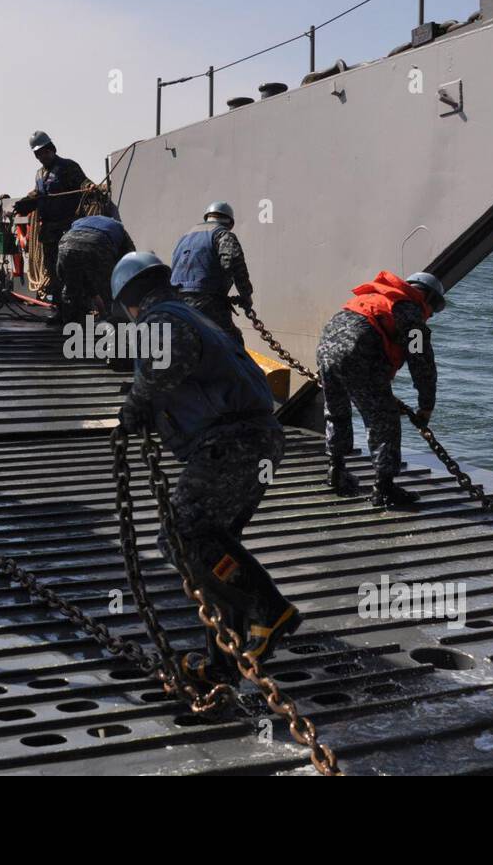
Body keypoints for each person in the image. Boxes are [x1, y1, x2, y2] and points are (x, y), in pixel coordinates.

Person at [112, 252, 300, 682]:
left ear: (128, 302)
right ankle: (222, 661)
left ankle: (269, 609)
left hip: (229, 442)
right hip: (258, 438)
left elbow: (168, 356)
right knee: (211, 551)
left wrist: (136, 406)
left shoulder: (158, 321)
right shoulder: (195, 315)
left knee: (179, 538)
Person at [315, 270, 445, 507]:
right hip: (357, 354)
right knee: (384, 419)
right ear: (428, 298)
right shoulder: (410, 310)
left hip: (326, 349)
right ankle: (384, 488)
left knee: (336, 410)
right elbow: (420, 360)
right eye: (434, 309)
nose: (431, 315)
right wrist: (427, 405)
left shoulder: (376, 297)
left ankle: (336, 471)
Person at [12, 131, 90, 313]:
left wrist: (91, 188)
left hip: (67, 230)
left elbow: (83, 183)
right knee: (53, 272)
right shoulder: (40, 174)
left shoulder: (68, 167)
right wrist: (24, 204)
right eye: (38, 154)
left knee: (69, 271)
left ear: (52, 149)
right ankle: (59, 310)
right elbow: (38, 194)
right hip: (48, 233)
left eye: (44, 152)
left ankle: (77, 310)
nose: (42, 156)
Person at [168, 201, 253, 345]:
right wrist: (246, 295)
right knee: (233, 343)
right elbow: (233, 263)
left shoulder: (184, 238)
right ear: (230, 223)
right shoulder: (222, 234)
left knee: (189, 342)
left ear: (207, 217)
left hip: (177, 301)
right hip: (207, 300)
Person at [54, 215, 135, 324]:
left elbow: (68, 274)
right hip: (97, 243)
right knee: (109, 287)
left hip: (67, 243)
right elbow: (129, 258)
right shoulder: (119, 227)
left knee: (69, 286)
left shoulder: (80, 221)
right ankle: (114, 321)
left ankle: (69, 320)